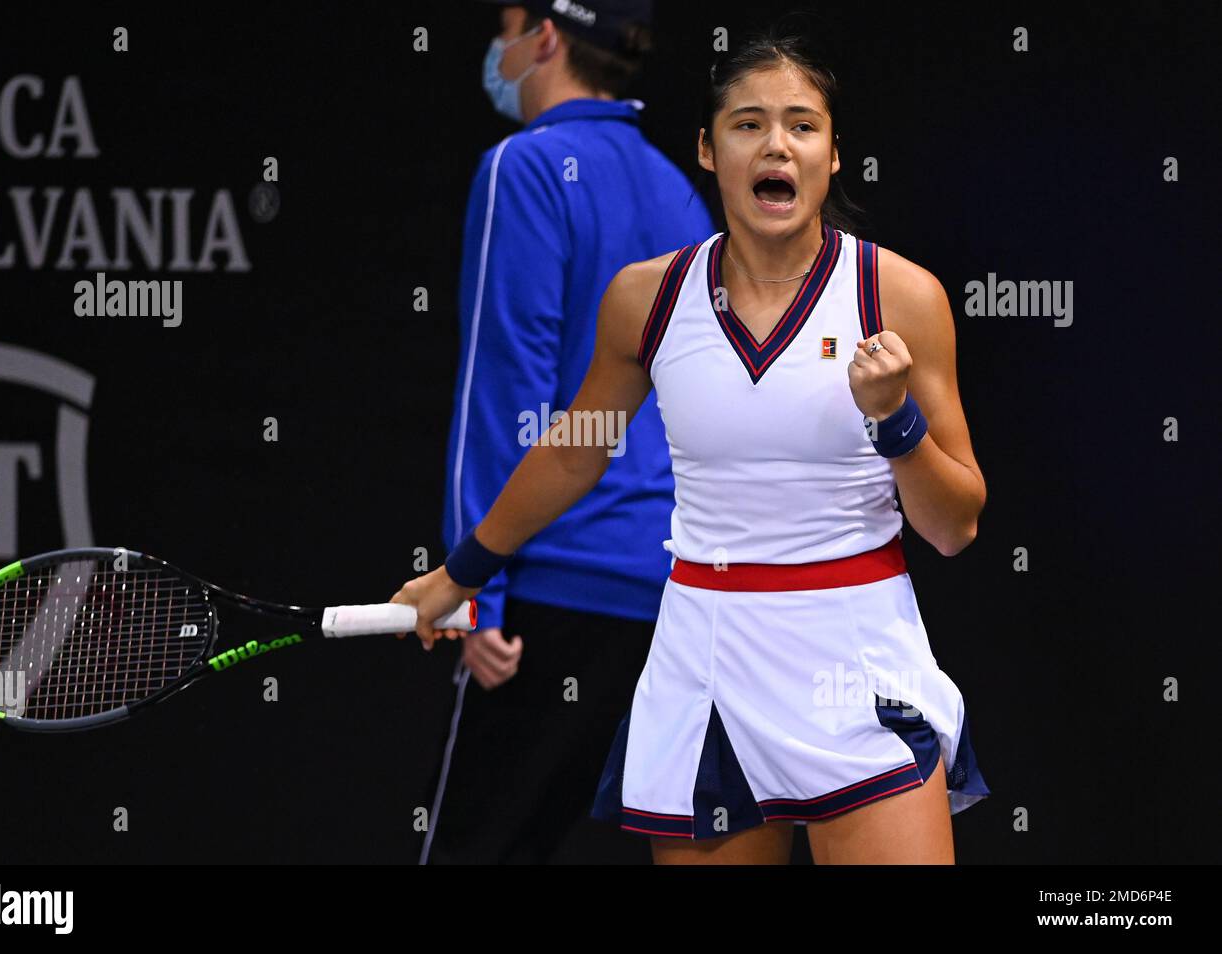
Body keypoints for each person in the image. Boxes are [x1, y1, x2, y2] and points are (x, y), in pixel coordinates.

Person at [399, 26, 992, 865]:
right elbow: (577, 448)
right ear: (708, 152)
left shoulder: (900, 295)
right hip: (704, 661)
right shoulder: (647, 299)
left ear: (830, 154)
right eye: (748, 124)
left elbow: (954, 526)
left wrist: (895, 422)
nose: (775, 143)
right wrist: (458, 574)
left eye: (800, 124)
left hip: (856, 661)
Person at [417, 0, 716, 864]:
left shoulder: (526, 167)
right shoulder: (679, 188)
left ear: (544, 37)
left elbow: (505, 389)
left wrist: (477, 587)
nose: (497, 45)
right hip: (674, 601)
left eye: (505, 24)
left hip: (553, 592)